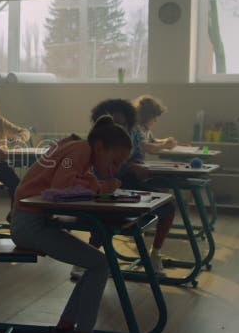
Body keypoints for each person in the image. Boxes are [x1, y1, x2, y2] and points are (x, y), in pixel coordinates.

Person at [12, 116, 130, 333]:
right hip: (28, 225)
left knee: (95, 263)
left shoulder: (80, 152)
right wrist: (99, 188)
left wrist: (96, 185)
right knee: (99, 264)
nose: (115, 168)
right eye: (114, 161)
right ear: (99, 147)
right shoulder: (79, 150)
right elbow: (61, 187)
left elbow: (66, 184)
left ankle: (66, 330)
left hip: (35, 222)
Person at [69, 99, 177, 279]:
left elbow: (134, 157)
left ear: (129, 123)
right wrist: (126, 168)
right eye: (113, 122)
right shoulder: (96, 140)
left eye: (122, 123)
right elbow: (95, 171)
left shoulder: (131, 133)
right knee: (105, 218)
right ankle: (84, 259)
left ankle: (154, 254)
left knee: (168, 205)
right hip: (102, 188)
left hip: (126, 183)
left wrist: (133, 166)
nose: (118, 127)